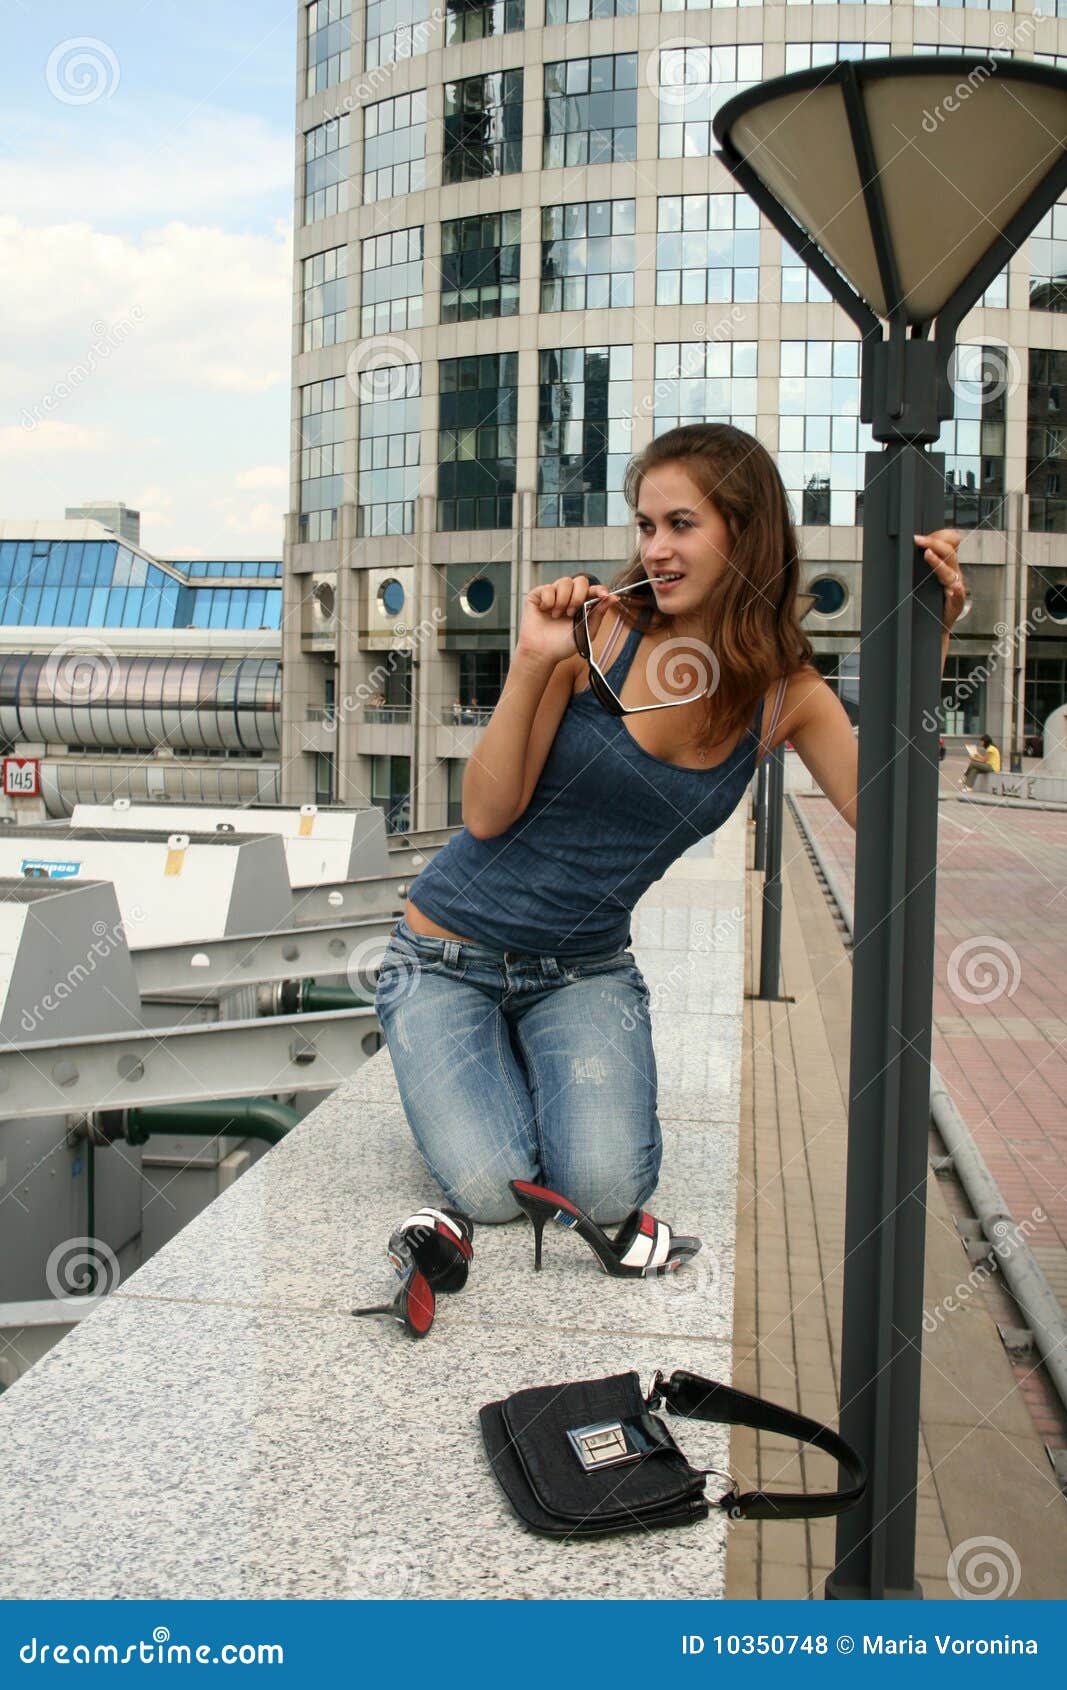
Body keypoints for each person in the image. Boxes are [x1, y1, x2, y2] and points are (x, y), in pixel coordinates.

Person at [374, 424, 964, 1227]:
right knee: (494, 1194)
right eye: (647, 527)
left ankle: (518, 1056)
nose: (655, 549)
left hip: (581, 971)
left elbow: (892, 826)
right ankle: (474, 1057)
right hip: (444, 954)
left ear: (745, 535)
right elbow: (485, 813)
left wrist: (928, 649)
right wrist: (531, 660)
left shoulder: (785, 694)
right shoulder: (597, 630)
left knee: (605, 1194)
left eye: (680, 525)